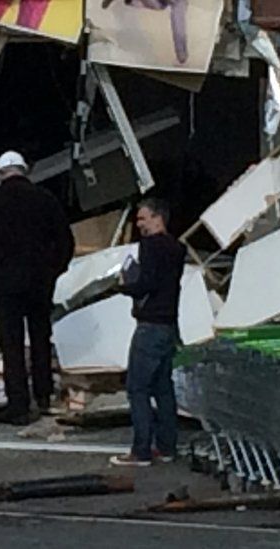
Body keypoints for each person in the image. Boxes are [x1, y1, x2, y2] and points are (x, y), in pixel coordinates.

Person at [0, 151, 74, 426]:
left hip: (5, 285)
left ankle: (19, 405)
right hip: (39, 283)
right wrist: (53, 271)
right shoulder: (45, 199)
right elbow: (65, 241)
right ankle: (44, 395)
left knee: (11, 345)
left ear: (1, 173)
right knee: (40, 338)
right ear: (25, 171)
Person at [110, 198, 185, 467]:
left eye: (143, 218)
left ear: (157, 218)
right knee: (163, 388)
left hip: (150, 325)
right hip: (169, 325)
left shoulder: (150, 246)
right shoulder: (177, 248)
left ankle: (141, 450)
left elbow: (147, 283)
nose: (139, 224)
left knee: (137, 388)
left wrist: (124, 285)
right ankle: (167, 447)